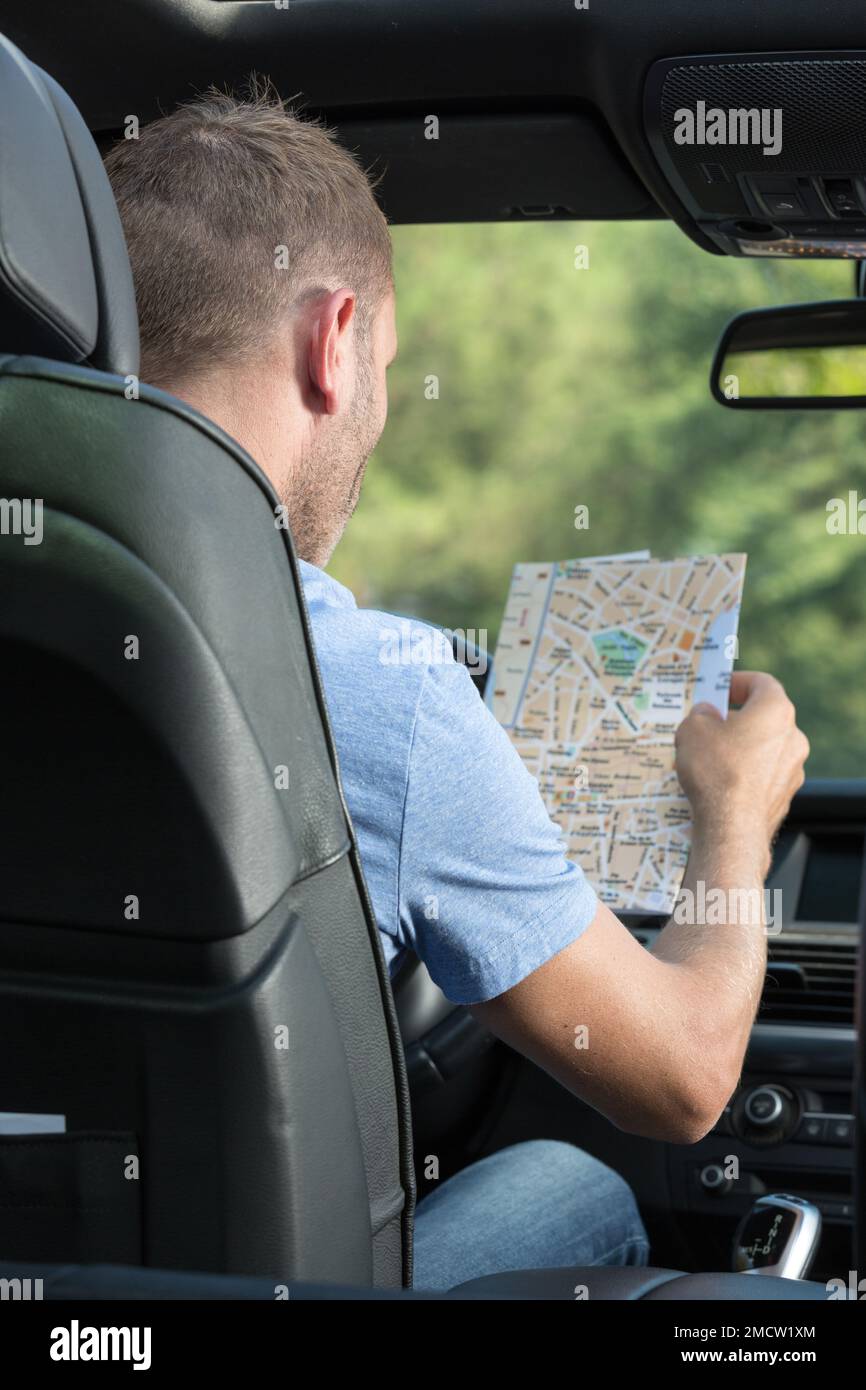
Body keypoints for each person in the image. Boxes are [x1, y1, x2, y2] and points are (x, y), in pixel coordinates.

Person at [103, 88, 808, 1291]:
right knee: (577, 1182)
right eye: (384, 364)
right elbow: (684, 1080)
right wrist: (734, 818)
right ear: (333, 345)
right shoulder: (380, 692)